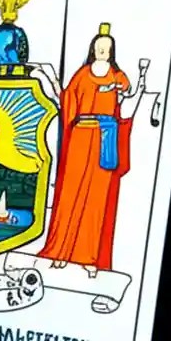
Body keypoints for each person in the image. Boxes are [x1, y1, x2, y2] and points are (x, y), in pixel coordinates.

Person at [38, 23, 134, 277]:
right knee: (71, 193)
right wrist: (53, 83)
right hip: (81, 135)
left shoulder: (116, 75)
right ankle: (62, 252)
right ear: (93, 48)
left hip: (104, 138)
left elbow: (128, 91)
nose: (102, 50)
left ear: (112, 51)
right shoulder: (82, 74)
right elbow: (68, 99)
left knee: (96, 200)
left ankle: (88, 258)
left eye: (107, 48)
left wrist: (119, 90)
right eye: (99, 46)